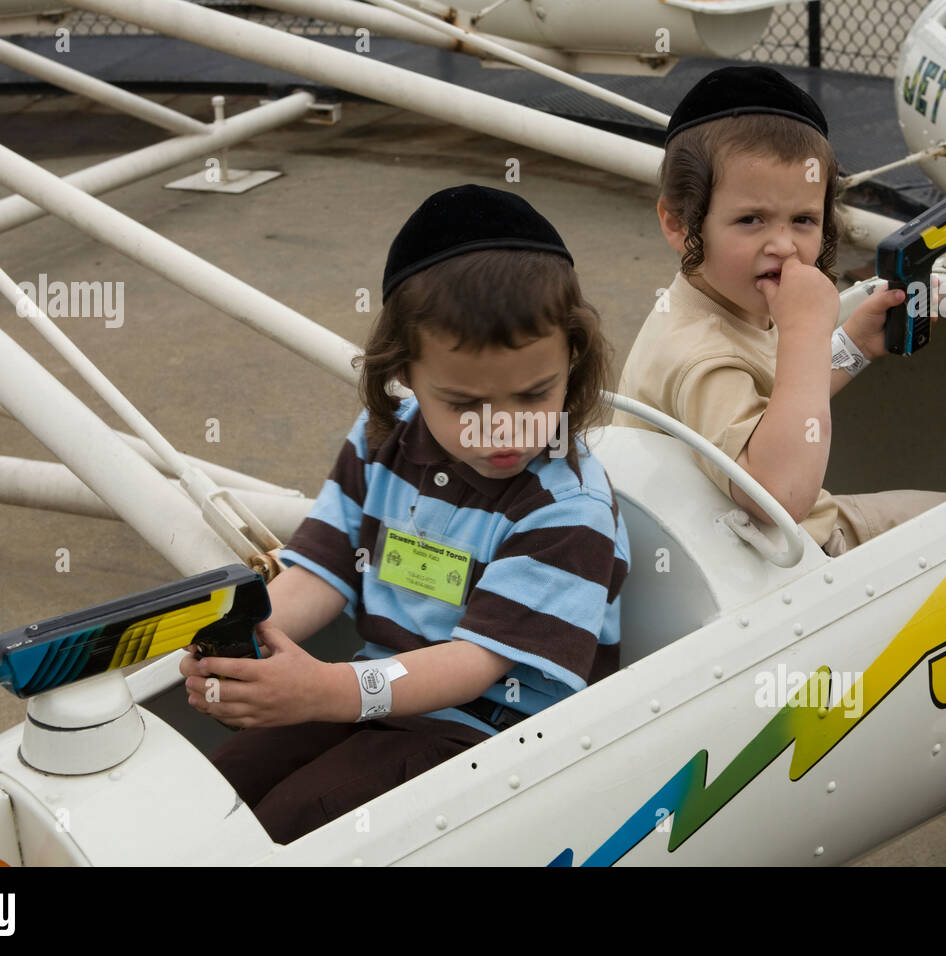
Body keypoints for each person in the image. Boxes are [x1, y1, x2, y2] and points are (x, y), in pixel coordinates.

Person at [180, 184, 630, 844]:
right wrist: (242, 644)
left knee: (290, 827)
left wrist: (325, 692)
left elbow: (476, 665)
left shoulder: (568, 510)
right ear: (406, 375)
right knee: (211, 796)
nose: (499, 432)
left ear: (573, 362)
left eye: (534, 394)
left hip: (491, 734)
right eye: (463, 404)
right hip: (375, 687)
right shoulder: (380, 437)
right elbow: (321, 569)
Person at [613, 66, 946, 557]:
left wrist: (851, 346)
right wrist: (806, 331)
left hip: (744, 553)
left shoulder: (720, 299)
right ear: (679, 223)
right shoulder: (700, 356)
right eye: (751, 219)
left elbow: (773, 402)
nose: (784, 245)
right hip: (799, 559)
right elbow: (780, 495)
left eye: (803, 220)